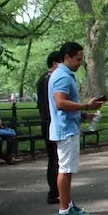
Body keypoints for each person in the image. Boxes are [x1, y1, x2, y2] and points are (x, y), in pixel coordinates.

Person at [48, 42, 104, 215]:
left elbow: (65, 105)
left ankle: (68, 203)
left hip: (68, 126)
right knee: (65, 169)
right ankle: (64, 209)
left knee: (68, 169)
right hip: (65, 130)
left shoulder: (63, 75)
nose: (80, 63)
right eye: (78, 59)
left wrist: (84, 114)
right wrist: (86, 105)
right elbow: (60, 103)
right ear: (67, 57)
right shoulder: (62, 77)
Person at [37, 50, 63, 203]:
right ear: (55, 63)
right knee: (55, 157)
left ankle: (55, 190)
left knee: (53, 157)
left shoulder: (43, 79)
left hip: (46, 120)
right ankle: (54, 191)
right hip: (51, 120)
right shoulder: (51, 79)